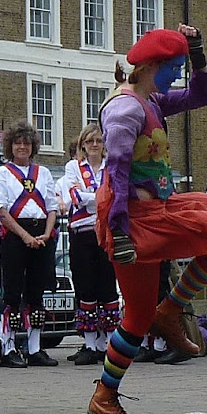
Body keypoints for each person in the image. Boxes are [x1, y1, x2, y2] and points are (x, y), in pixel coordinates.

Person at [87, 25, 207, 414]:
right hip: (133, 218)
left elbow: (203, 95)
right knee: (135, 315)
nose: (178, 76)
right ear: (153, 65)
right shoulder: (125, 109)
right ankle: (104, 396)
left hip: (156, 211)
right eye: (175, 67)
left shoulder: (150, 99)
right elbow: (115, 172)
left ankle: (168, 311)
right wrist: (118, 231)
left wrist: (199, 50)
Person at [0, 120, 59, 367]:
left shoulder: (44, 173)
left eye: (26, 143)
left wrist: (47, 234)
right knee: (12, 291)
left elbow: (52, 207)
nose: (22, 147)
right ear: (10, 146)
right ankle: (8, 348)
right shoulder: (2, 173)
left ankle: (35, 348)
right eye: (18, 143)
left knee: (36, 293)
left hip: (42, 234)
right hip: (15, 234)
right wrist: (24, 236)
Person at [58, 122, 117, 365]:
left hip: (105, 232)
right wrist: (99, 198)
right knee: (85, 286)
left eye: (98, 141)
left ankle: (110, 344)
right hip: (81, 232)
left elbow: (113, 195)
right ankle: (91, 344)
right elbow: (75, 197)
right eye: (90, 141)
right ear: (83, 144)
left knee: (107, 285)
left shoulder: (111, 167)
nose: (94, 145)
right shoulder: (73, 166)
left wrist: (93, 198)